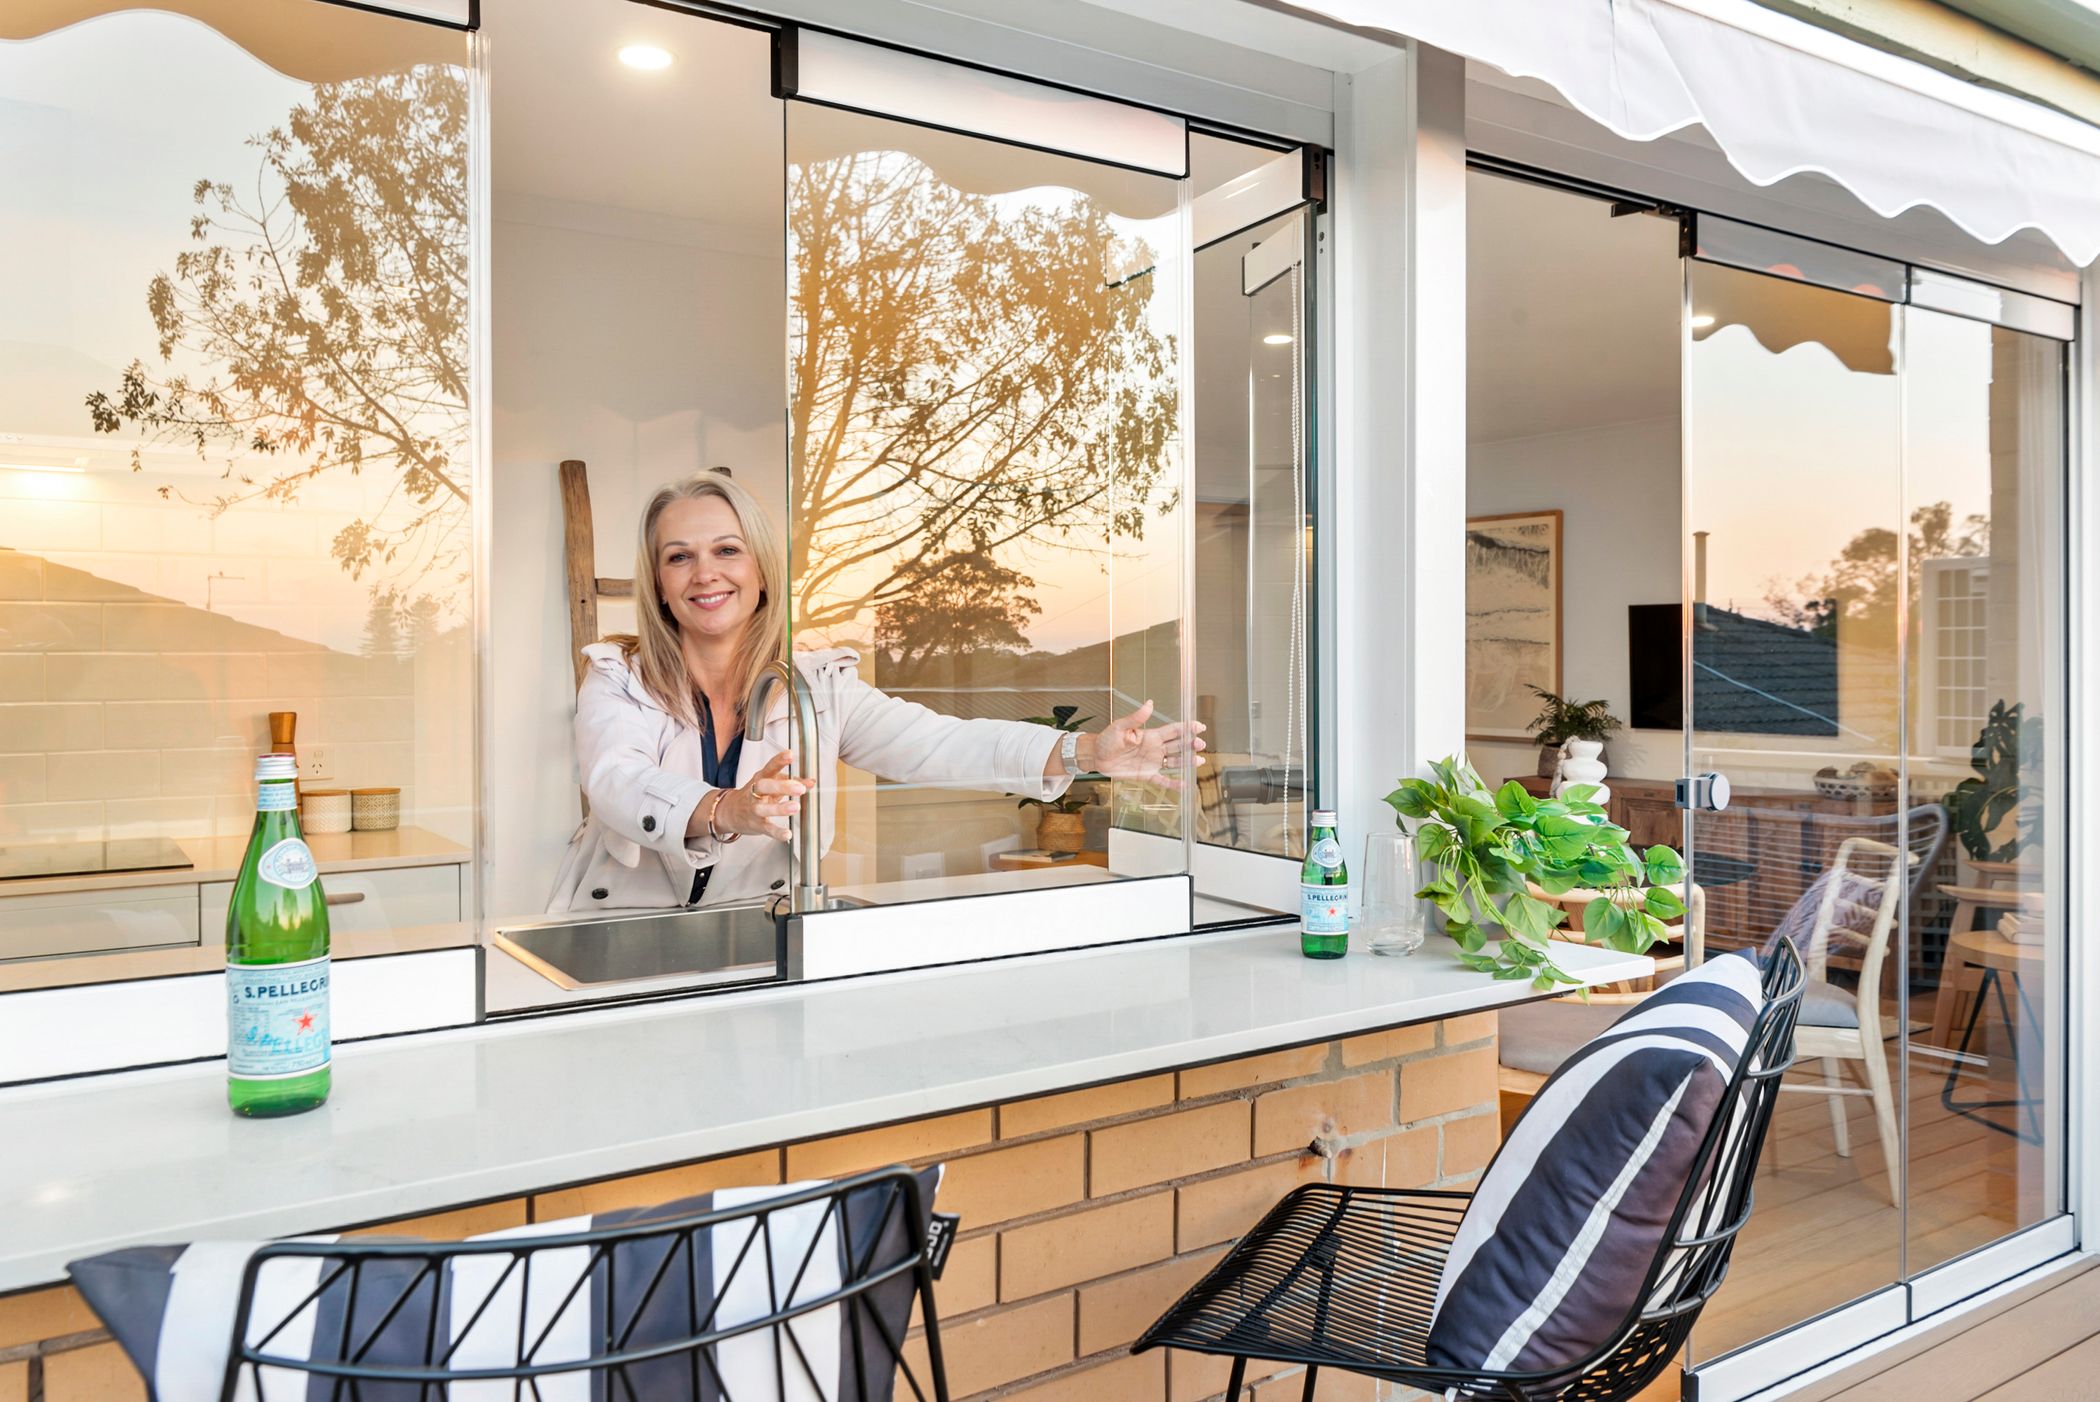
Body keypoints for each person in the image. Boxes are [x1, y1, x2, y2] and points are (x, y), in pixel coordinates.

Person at [548, 469, 1204, 912]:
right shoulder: (616, 676)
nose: (705, 574)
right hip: (619, 929)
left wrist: (1087, 751)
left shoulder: (814, 688)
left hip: (756, 933)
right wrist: (728, 808)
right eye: (678, 556)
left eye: (728, 550)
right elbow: (616, 780)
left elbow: (940, 745)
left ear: (762, 571)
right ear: (658, 582)